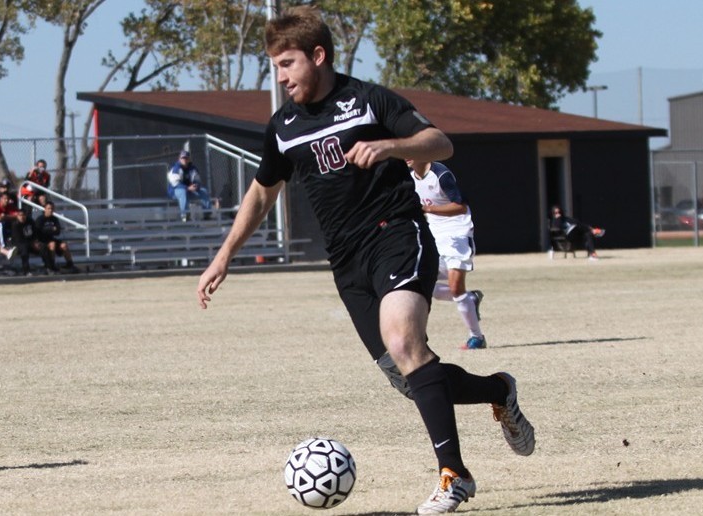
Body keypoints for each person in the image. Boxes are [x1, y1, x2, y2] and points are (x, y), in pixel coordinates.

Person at [196, 7, 534, 514]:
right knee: (407, 376)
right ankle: (498, 389)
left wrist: (391, 146)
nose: (281, 76)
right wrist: (224, 256)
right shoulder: (283, 126)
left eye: (288, 63)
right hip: (346, 261)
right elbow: (263, 192)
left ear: (318, 55)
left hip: (397, 235)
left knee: (403, 341)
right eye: (275, 67)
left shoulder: (368, 100)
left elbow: (440, 143)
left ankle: (454, 475)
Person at [409, 160, 486, 350]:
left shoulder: (440, 174)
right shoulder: (409, 177)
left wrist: (428, 209)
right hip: (435, 235)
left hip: (457, 233)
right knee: (425, 286)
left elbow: (460, 206)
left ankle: (476, 337)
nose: (406, 156)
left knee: (455, 287)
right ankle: (471, 299)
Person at [35, 201, 78, 273]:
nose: (50, 210)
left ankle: (70, 264)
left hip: (52, 239)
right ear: (45, 209)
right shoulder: (40, 219)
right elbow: (39, 231)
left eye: (52, 208)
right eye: (48, 208)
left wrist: (47, 229)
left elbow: (57, 232)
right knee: (52, 244)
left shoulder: (54, 219)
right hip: (43, 241)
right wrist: (51, 229)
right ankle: (52, 265)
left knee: (64, 245)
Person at [167, 150, 212, 220]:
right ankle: (185, 215)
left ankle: (207, 213)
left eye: (186, 158)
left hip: (189, 191)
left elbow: (197, 180)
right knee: (182, 191)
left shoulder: (193, 168)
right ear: (179, 159)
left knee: (203, 191)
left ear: (189, 159)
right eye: (183, 158)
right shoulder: (175, 169)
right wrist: (187, 188)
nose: (184, 160)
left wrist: (196, 186)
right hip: (175, 192)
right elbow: (175, 184)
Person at [11, 207, 51, 276]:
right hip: (20, 244)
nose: (22, 217)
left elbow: (35, 233)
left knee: (43, 247)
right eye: (20, 215)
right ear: (17, 216)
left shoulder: (30, 221)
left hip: (31, 242)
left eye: (23, 215)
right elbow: (19, 239)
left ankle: (48, 267)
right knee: (24, 249)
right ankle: (26, 270)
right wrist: (32, 243)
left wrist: (35, 241)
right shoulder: (15, 225)